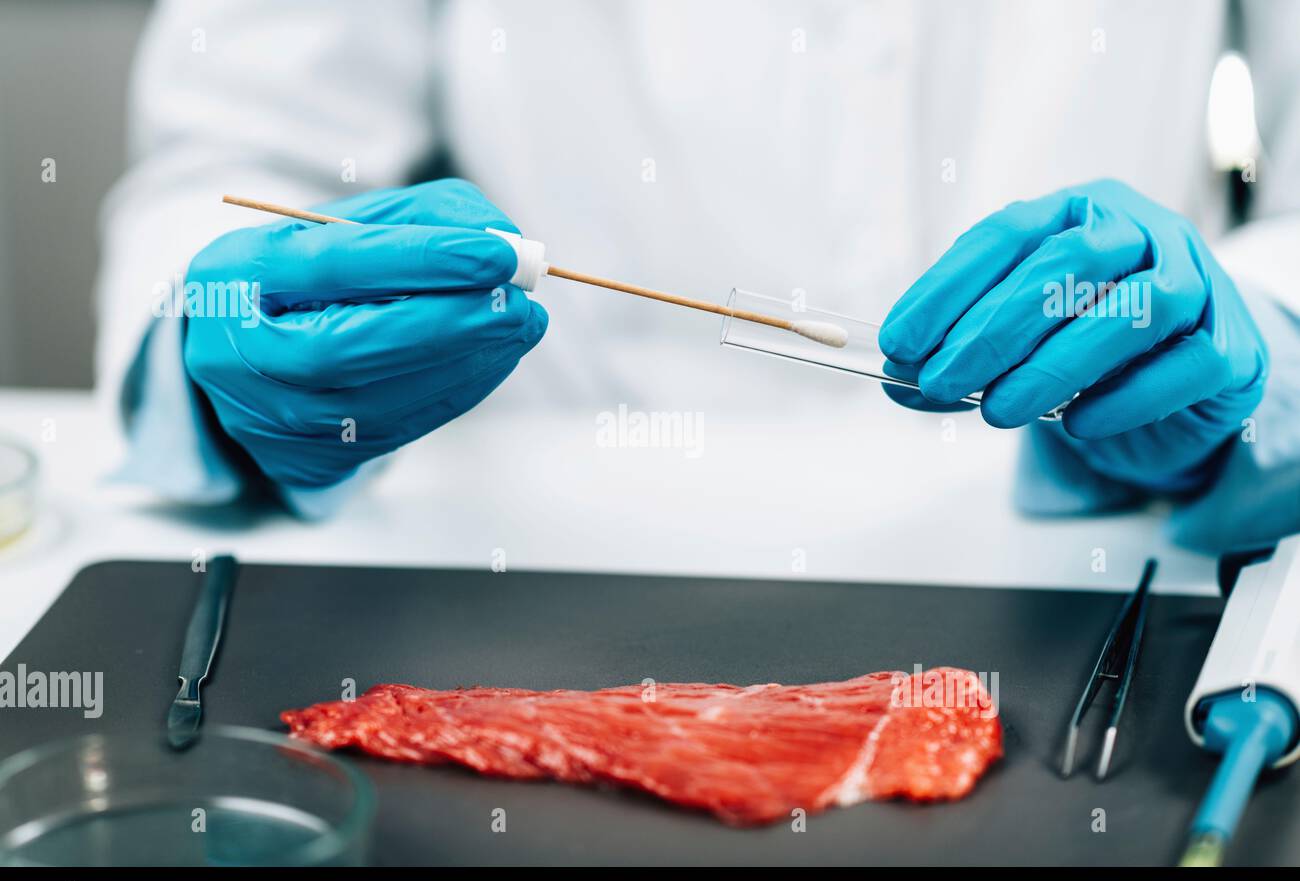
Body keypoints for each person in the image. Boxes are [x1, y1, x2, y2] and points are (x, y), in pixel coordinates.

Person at [97, 0, 1300, 550]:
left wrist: (1255, 353)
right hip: (538, 535)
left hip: (1077, 527)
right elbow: (236, 152)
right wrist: (219, 342)